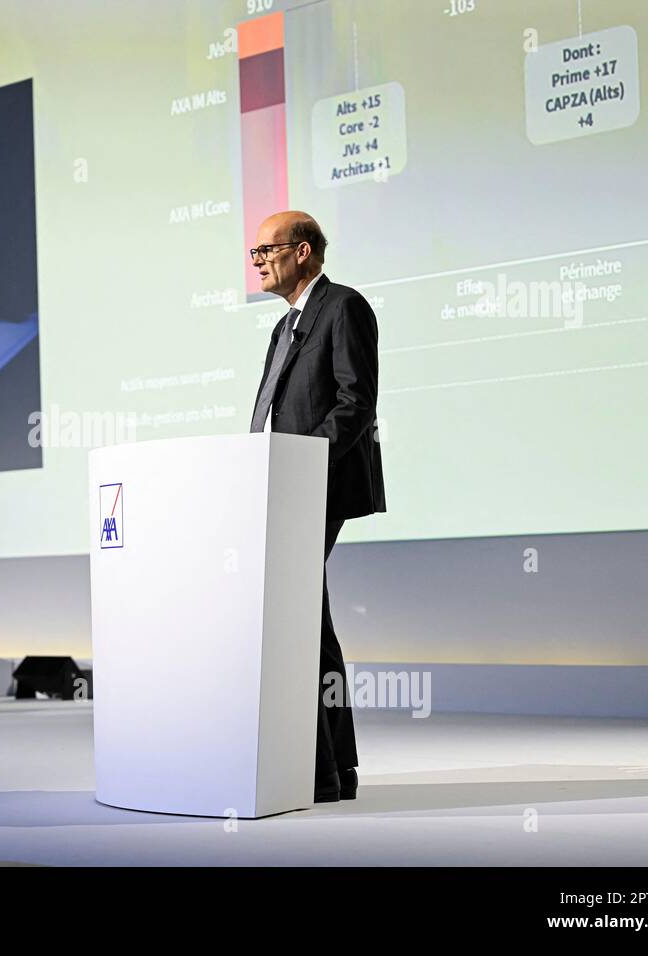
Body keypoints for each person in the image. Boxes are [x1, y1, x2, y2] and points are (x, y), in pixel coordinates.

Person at [247, 210, 386, 803]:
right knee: (308, 620)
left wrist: (301, 463)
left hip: (316, 484)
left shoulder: (343, 306)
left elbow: (357, 400)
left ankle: (323, 768)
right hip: (278, 486)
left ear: (302, 252)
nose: (257, 262)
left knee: (299, 618)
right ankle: (335, 767)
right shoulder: (284, 328)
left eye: (265, 250)